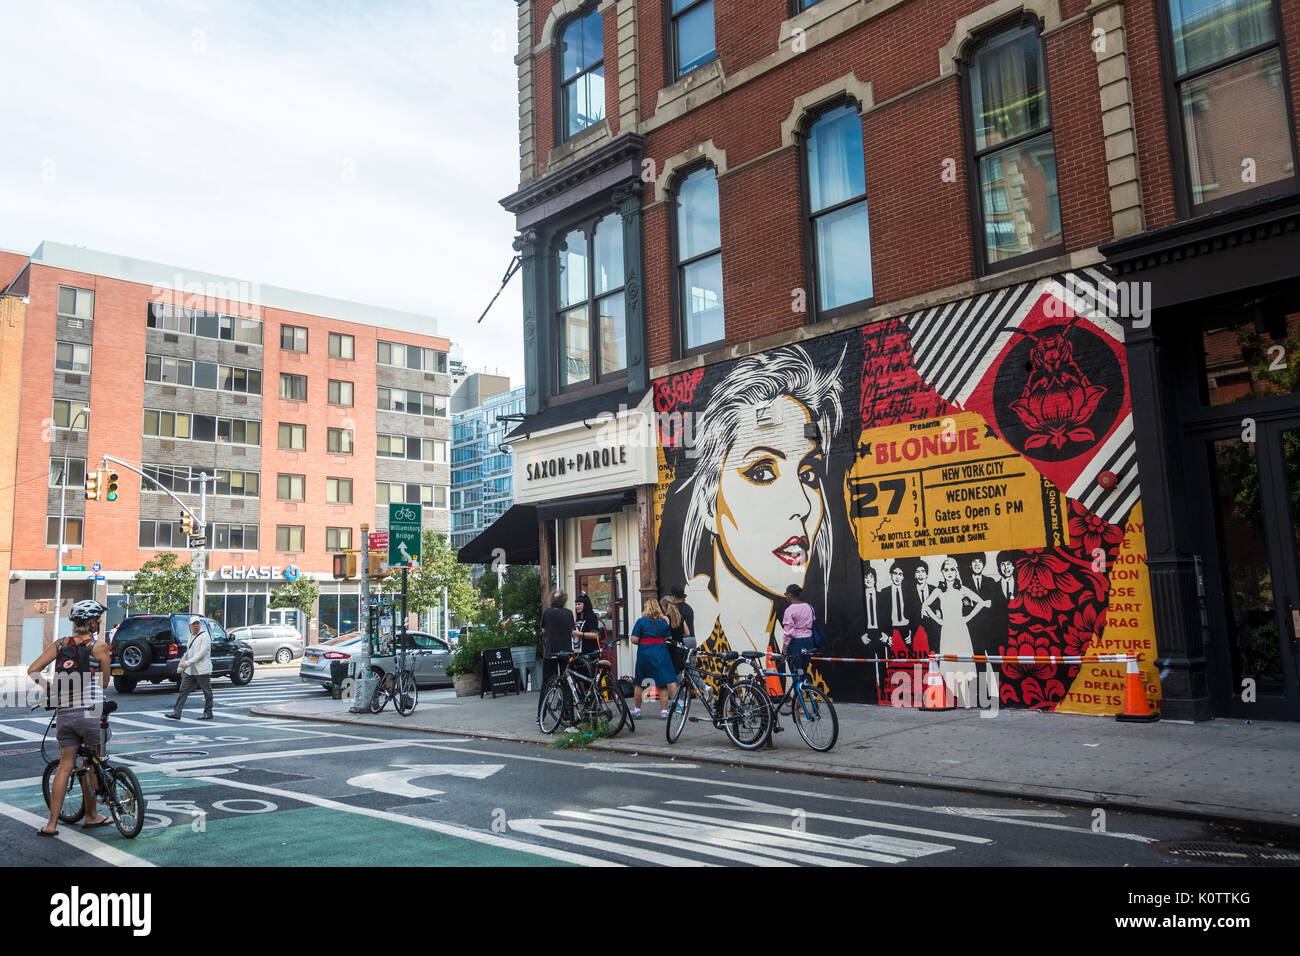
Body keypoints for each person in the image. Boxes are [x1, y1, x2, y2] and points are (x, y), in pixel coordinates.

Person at [675, 343, 845, 655]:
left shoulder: (784, 635)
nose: (803, 505)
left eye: (808, 474)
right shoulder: (707, 650)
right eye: (763, 472)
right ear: (709, 503)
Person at [27, 600, 113, 835]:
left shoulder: (60, 644)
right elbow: (105, 683)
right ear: (92, 622)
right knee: (92, 762)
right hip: (92, 711)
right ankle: (92, 815)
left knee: (65, 766)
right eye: (98, 619)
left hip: (65, 712)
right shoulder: (99, 647)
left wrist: (49, 689)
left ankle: (51, 824)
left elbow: (32, 669)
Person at [923, 557, 992, 706]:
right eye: (946, 569)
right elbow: (926, 605)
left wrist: (966, 618)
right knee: (948, 665)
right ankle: (958, 698)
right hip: (947, 630)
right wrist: (938, 620)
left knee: (964, 664)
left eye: (952, 569)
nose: (949, 572)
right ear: (942, 572)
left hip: (960, 630)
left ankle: (967, 700)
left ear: (956, 572)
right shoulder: (938, 590)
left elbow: (980, 602)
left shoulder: (961, 589)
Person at [630, 599, 677, 718]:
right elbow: (669, 637)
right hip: (660, 653)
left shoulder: (641, 622)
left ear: (646, 607)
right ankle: (664, 711)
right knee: (662, 683)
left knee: (640, 683)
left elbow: (634, 639)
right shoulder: (663, 622)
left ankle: (637, 710)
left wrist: (645, 641)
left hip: (644, 653)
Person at [539, 590, 581, 721]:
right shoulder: (569, 613)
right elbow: (571, 630)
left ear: (552, 600)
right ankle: (567, 713)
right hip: (566, 652)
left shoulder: (547, 612)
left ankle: (541, 714)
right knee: (566, 683)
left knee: (546, 683)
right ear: (564, 600)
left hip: (551, 652)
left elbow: (544, 631)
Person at [166, 617, 214, 720]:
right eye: (194, 624)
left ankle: (208, 712)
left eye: (198, 623)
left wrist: (187, 663)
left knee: (207, 691)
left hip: (202, 670)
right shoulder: (191, 636)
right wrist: (183, 668)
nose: (196, 625)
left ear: (200, 625)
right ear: (190, 626)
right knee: (183, 691)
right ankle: (176, 713)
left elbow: (201, 654)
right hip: (190, 670)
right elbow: (188, 653)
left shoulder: (205, 636)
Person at [781, 584, 816, 674]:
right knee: (803, 671)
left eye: (786, 594)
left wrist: (784, 649)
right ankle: (807, 688)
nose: (786, 597)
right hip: (809, 642)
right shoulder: (809, 607)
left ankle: (800, 688)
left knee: (796, 674)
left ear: (790, 594)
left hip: (795, 643)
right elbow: (813, 622)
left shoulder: (790, 610)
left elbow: (789, 632)